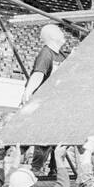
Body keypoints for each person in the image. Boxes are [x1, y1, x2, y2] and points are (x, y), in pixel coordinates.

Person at [21, 24, 67, 177]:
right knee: (43, 139)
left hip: (56, 104)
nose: (63, 33)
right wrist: (28, 91)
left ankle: (54, 169)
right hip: (44, 104)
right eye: (60, 31)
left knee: (57, 139)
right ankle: (36, 169)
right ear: (53, 36)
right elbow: (38, 74)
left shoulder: (60, 55)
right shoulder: (46, 54)